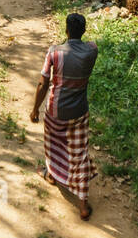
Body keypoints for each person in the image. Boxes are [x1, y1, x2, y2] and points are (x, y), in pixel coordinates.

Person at [30, 13, 98, 219]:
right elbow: (89, 45)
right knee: (79, 153)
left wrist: (35, 109)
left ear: (66, 30)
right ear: (84, 31)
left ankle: (51, 174)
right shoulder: (92, 51)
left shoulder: (54, 52)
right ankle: (83, 205)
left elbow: (43, 83)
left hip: (55, 110)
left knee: (53, 144)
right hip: (79, 111)